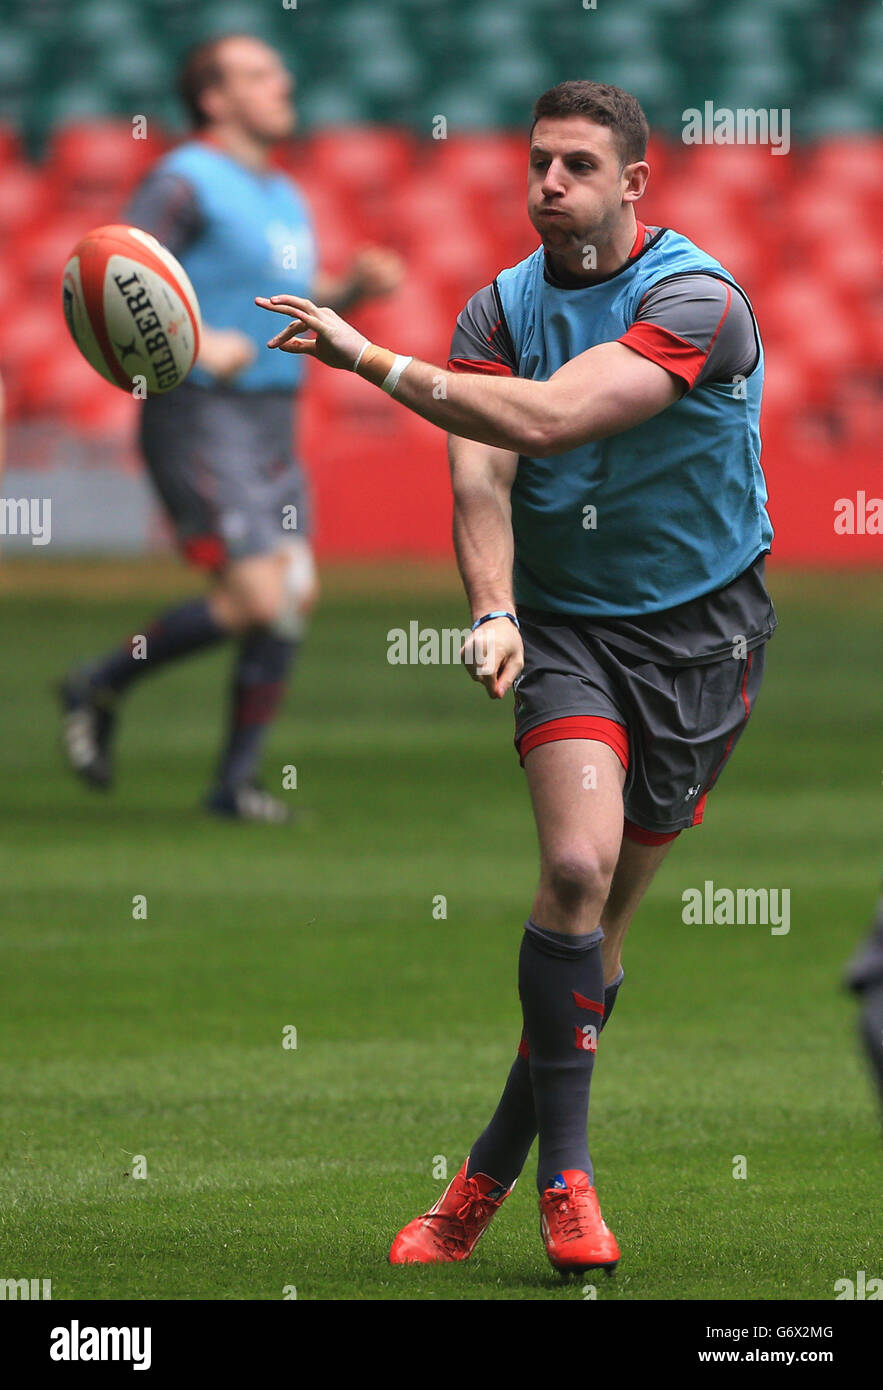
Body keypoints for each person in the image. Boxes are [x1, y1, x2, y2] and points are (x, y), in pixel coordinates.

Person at [257, 80, 777, 1272]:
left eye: (577, 166)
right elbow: (482, 481)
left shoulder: (698, 299)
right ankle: (569, 1181)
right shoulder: (497, 308)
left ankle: (484, 1171)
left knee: (600, 936)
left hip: (706, 641)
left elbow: (548, 421)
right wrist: (494, 609)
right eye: (538, 162)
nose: (549, 183)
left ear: (633, 183)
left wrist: (367, 358)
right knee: (576, 867)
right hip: (570, 631)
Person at [59, 33, 402, 821]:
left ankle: (232, 786)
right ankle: (101, 682)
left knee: (292, 593)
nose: (281, 79)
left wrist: (345, 288)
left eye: (277, 68)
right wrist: (200, 342)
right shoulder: (184, 180)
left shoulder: (280, 191)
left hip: (272, 417)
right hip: (200, 412)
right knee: (255, 596)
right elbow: (107, 266)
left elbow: (279, 293)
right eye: (257, 73)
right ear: (214, 100)